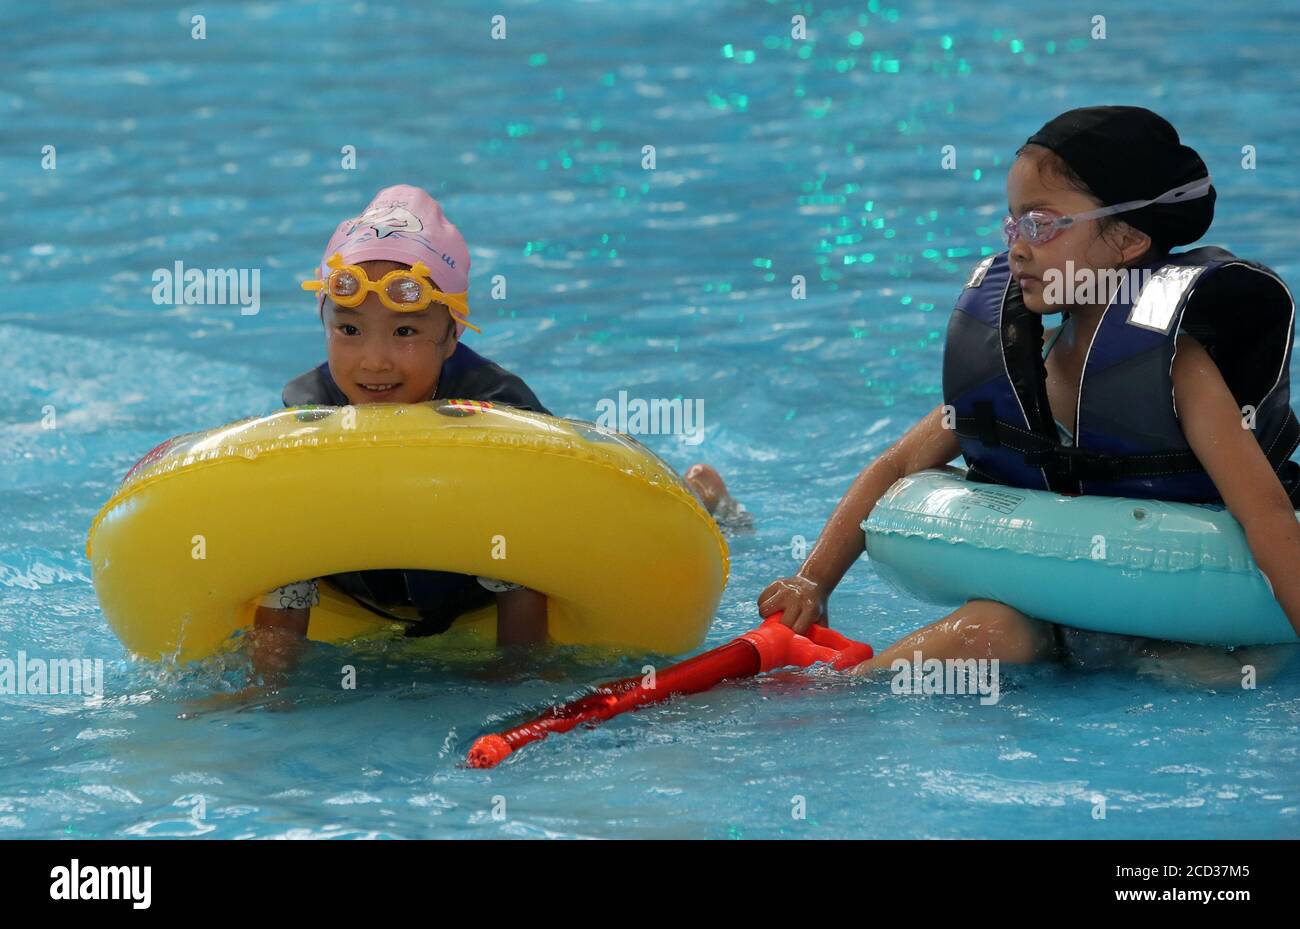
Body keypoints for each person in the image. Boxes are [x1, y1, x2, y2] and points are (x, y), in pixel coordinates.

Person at [758, 106, 1300, 683]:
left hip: (1182, 620)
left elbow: (1264, 512)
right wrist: (812, 582)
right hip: (1052, 613)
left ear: (1127, 239)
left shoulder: (1177, 369)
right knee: (980, 631)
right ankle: (827, 696)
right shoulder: (1027, 362)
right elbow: (897, 464)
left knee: (1210, 672)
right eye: (1012, 226)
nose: (1017, 248)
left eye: (1042, 225)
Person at [251, 184, 741, 682]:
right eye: (349, 331)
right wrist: (265, 692)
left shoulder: (496, 407)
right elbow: (285, 561)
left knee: (643, 514)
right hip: (371, 587)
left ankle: (701, 491)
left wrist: (516, 679)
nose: (374, 361)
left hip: (478, 577)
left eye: (404, 332)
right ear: (324, 323)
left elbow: (531, 562)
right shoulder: (309, 410)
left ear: (452, 336)